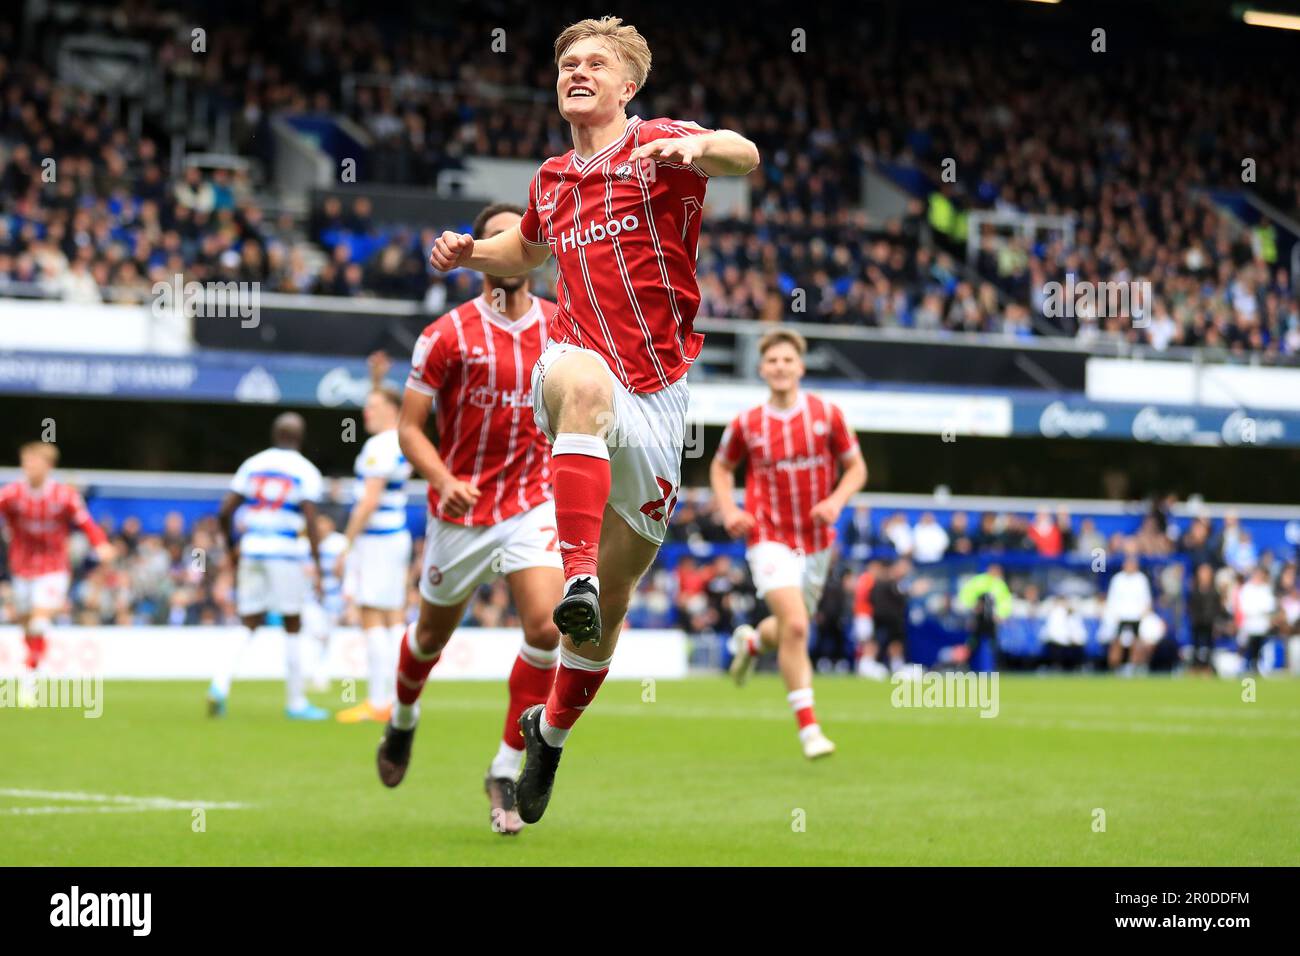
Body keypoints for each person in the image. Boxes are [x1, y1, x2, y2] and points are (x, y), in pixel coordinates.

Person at [426, 16, 759, 823]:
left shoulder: (659, 141)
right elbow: (527, 254)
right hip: (583, 369)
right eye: (567, 62)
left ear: (626, 86)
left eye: (594, 63)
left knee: (611, 606)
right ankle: (571, 568)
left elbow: (743, 155)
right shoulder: (548, 179)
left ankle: (551, 733)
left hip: (663, 398)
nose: (577, 71)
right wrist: (472, 252)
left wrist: (697, 147)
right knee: (581, 380)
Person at [379, 203, 564, 835]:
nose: (508, 247)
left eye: (519, 237)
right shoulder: (446, 335)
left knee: (546, 631)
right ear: (479, 254)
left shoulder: (566, 330)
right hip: (459, 510)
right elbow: (408, 428)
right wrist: (442, 478)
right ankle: (403, 720)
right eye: (495, 239)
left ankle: (506, 765)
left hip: (533, 503)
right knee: (429, 640)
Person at [711, 328, 867, 758]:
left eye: (787, 360)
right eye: (772, 361)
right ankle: (809, 729)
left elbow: (856, 469)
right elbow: (721, 468)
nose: (780, 367)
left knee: (786, 630)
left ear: (800, 366)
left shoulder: (828, 414)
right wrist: (730, 511)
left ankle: (751, 644)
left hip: (816, 541)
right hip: (768, 536)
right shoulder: (747, 423)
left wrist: (836, 502)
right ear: (762, 369)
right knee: (798, 626)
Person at [208, 413, 326, 719]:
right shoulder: (306, 470)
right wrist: (318, 566)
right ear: (300, 438)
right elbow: (311, 522)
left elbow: (224, 511)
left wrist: (231, 547)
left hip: (252, 549)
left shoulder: (253, 464)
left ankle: (219, 685)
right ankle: (296, 702)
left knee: (248, 621)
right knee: (293, 623)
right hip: (285, 551)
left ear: (275, 435)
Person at [0, 442, 114, 705]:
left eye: (34, 463)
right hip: (21, 569)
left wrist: (101, 544)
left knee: (40, 620)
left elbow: (86, 522)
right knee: (27, 624)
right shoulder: (13, 493)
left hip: (53, 568)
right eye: (25, 462)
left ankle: (29, 679)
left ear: (48, 466)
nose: (28, 468)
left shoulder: (64, 496)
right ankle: (34, 664)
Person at [335, 353, 413, 724]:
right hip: (393, 540)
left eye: (372, 406)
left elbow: (368, 501)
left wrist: (346, 544)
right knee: (393, 618)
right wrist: (377, 379)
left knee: (373, 617)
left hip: (377, 541)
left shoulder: (379, 446)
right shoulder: (400, 439)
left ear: (391, 410)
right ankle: (400, 699)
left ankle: (380, 701)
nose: (365, 411)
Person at [1103, 551, 1153, 675]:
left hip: (1137, 617)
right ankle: (1115, 667)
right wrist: (1113, 616)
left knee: (1137, 643)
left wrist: (1143, 616)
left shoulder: (1141, 579)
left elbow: (1147, 601)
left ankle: (1134, 666)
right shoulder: (1117, 579)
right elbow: (1111, 601)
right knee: (1117, 643)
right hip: (1120, 617)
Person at [956, 564, 1012, 671]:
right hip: (978, 619)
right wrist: (973, 606)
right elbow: (966, 595)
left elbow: (1005, 601)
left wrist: (1001, 615)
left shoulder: (1000, 584)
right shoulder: (979, 581)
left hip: (992, 619)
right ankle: (964, 665)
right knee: (972, 642)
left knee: (993, 643)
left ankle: (995, 666)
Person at [1187, 562, 1223, 677]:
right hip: (1197, 623)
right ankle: (1195, 667)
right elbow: (1191, 608)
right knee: (1196, 647)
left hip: (1209, 623)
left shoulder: (1215, 592)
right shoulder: (1194, 591)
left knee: (1208, 647)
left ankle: (1208, 667)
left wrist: (1214, 622)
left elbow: (1217, 609)